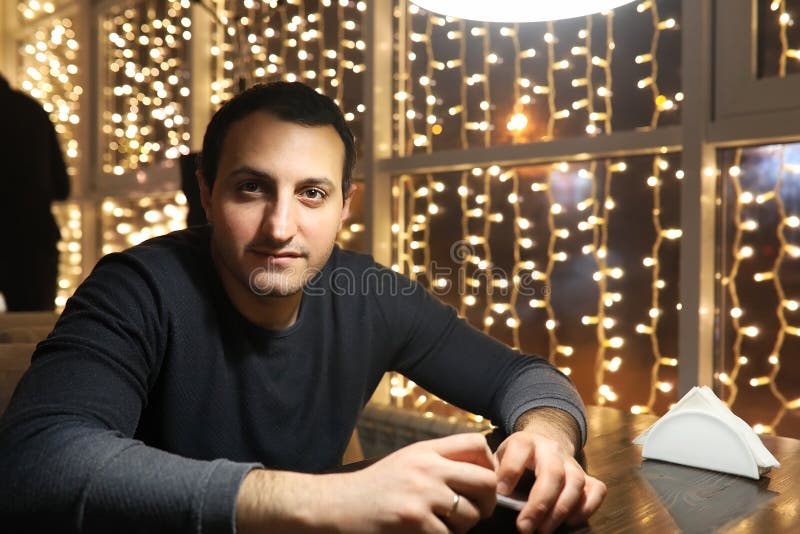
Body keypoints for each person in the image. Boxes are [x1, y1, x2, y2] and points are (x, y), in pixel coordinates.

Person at [0, 82, 605, 533]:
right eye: (251, 187)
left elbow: (524, 377)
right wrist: (328, 499)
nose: (280, 226)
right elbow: (36, 462)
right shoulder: (138, 286)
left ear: (346, 205)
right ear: (207, 193)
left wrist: (547, 436)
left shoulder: (374, 293)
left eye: (311, 193)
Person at [0, 73, 70, 311]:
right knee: (34, 332)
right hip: (34, 240)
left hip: (23, 237)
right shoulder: (31, 110)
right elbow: (62, 187)